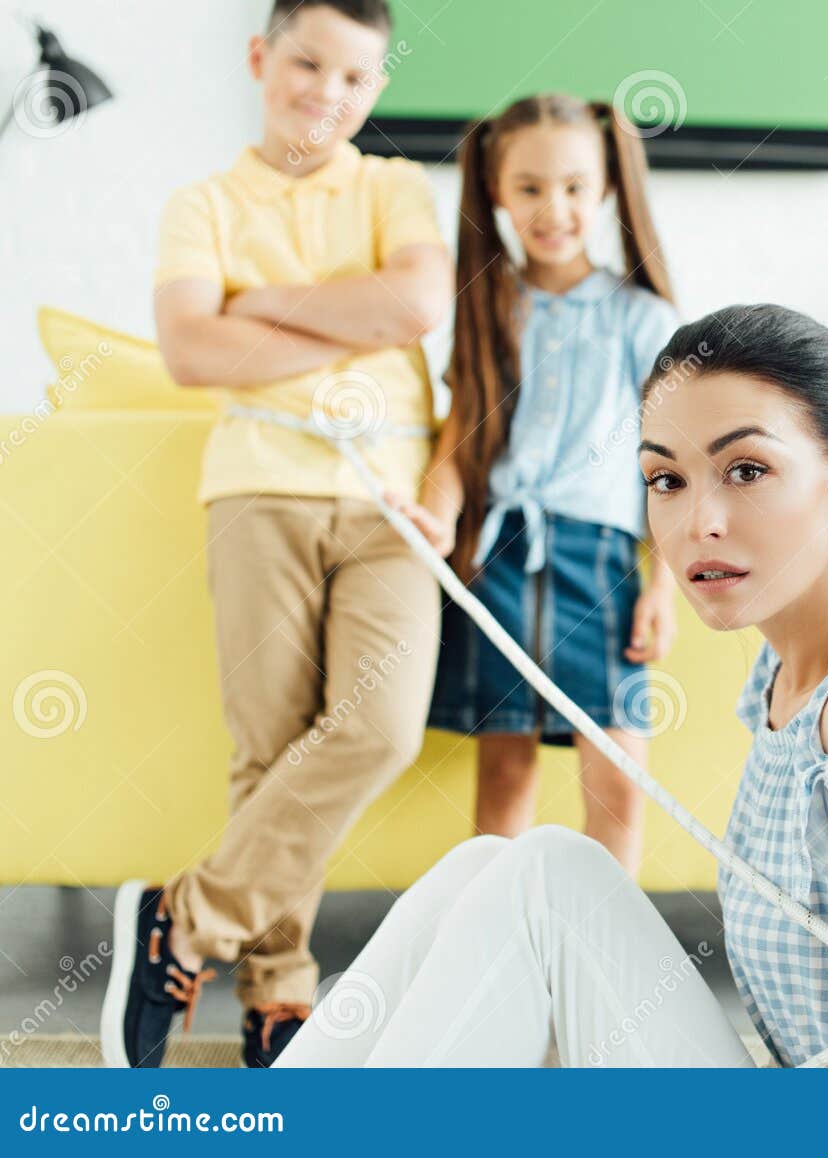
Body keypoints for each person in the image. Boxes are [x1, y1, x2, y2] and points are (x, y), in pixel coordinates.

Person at [277, 305, 828, 1067]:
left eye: (746, 470)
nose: (699, 522)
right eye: (666, 480)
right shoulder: (787, 680)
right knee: (487, 865)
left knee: (548, 877)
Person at [102, 0, 451, 1069]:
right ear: (262, 58)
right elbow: (193, 350)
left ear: (377, 90)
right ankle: (279, 997)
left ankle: (181, 922)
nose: (328, 95)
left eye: (355, 79)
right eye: (308, 66)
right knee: (271, 743)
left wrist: (263, 306)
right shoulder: (201, 204)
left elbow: (416, 307)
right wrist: (345, 310)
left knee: (378, 725)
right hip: (259, 490)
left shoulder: (395, 188)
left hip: (391, 504)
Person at [389, 94, 679, 865]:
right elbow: (461, 438)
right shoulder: (488, 307)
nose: (554, 208)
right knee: (505, 776)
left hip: (603, 566)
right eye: (529, 188)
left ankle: (610, 966)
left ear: (608, 188)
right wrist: (434, 514)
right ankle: (501, 950)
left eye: (575, 187)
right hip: (500, 561)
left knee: (617, 776)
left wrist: (663, 587)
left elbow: (674, 466)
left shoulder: (640, 318)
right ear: (495, 192)